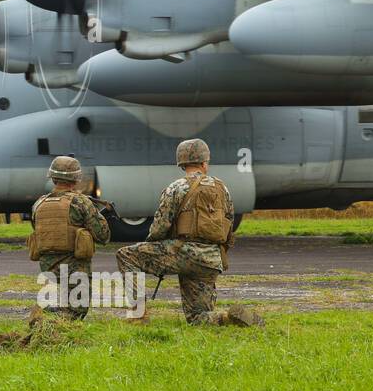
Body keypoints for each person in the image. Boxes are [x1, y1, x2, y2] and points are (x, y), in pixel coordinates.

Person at [116, 138, 264, 327]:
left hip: (181, 253)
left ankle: (138, 316)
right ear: (204, 163)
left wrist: (154, 245)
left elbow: (160, 226)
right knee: (198, 317)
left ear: (182, 164)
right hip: (212, 259)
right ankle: (228, 317)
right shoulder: (222, 188)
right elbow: (229, 223)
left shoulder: (176, 187)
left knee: (126, 255)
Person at [28, 156, 110, 320]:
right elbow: (103, 236)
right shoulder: (81, 202)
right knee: (77, 313)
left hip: (47, 268)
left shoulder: (39, 204)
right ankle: (52, 318)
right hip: (75, 266)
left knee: (68, 307)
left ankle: (50, 312)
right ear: (76, 179)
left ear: (52, 177)